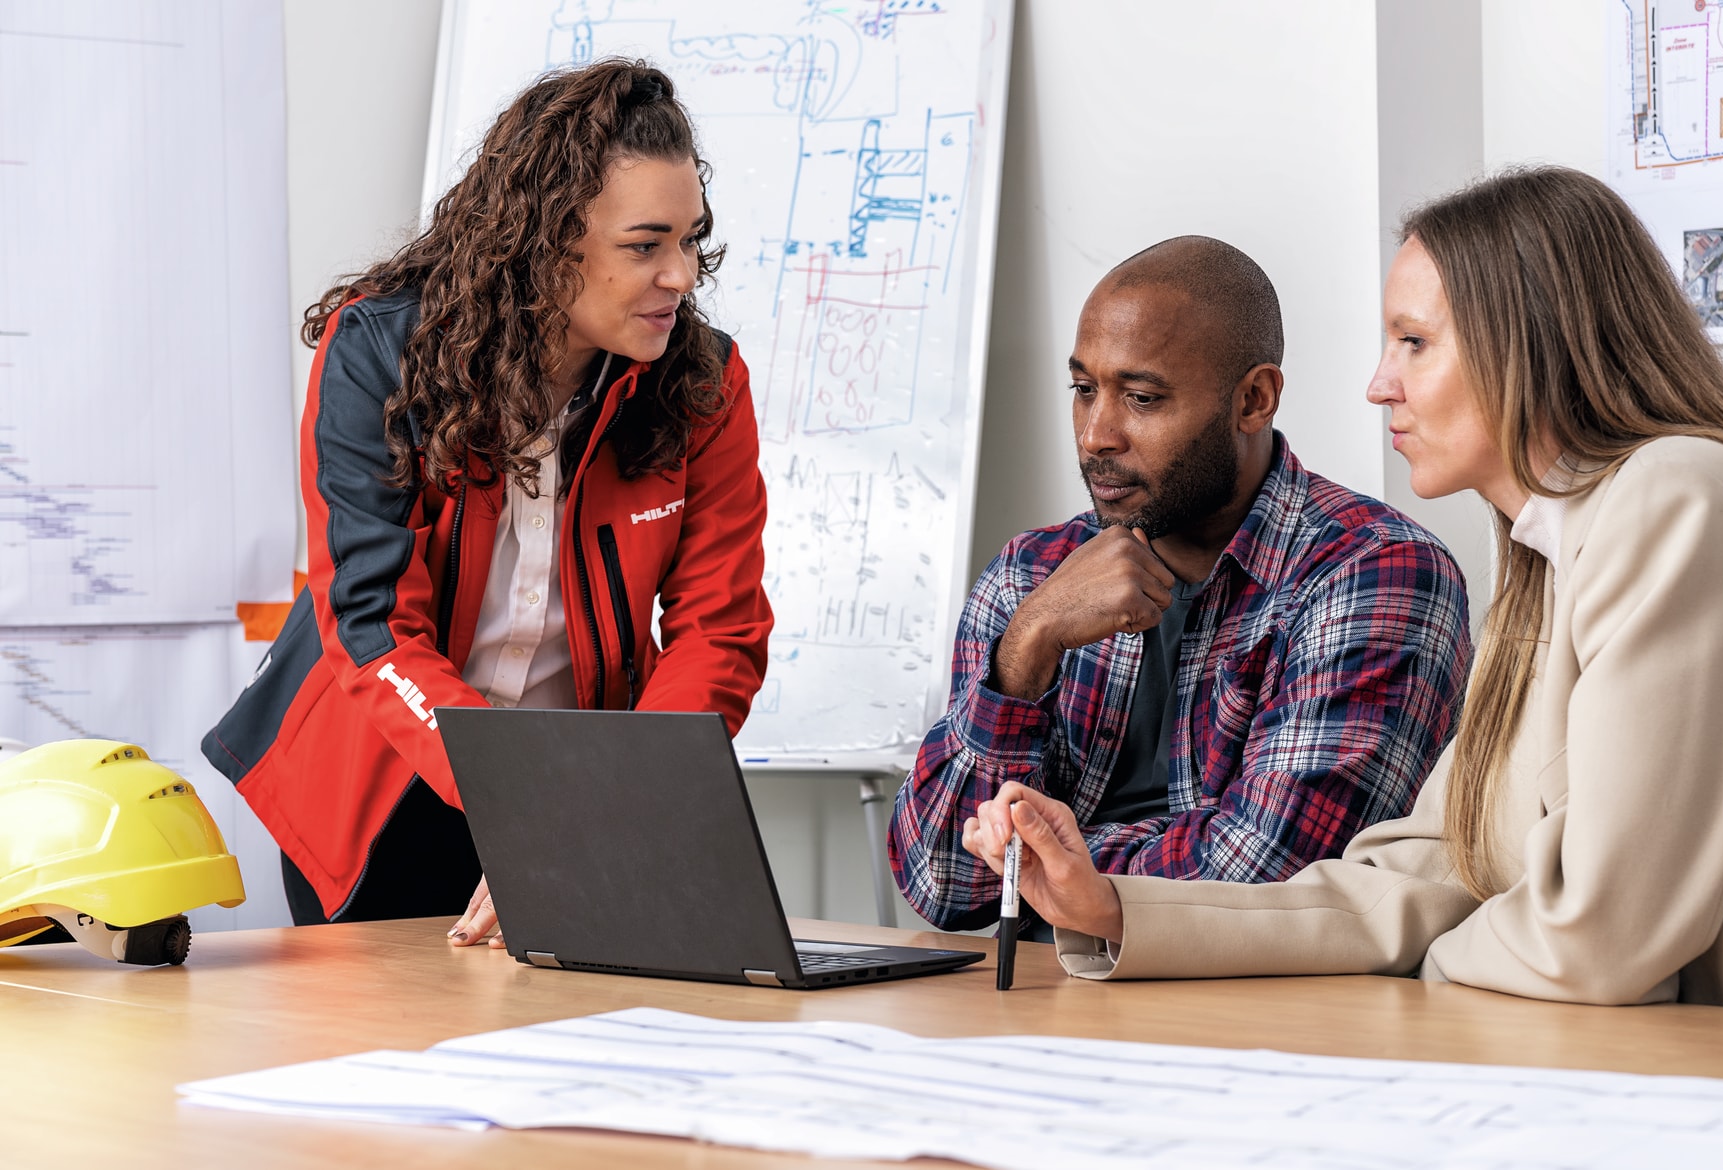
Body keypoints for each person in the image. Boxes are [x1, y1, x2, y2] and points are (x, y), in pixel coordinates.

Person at [963, 169, 1723, 1031]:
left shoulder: (1679, 496)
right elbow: (1428, 871)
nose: (1378, 385)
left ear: (1528, 343)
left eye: (1414, 343)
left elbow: (1600, 932)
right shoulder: (1545, 561)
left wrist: (1430, 952)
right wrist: (1118, 912)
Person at [202, 61, 773, 941]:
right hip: (387, 780)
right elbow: (374, 626)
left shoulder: (703, 383)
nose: (681, 275)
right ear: (548, 239)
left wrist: (626, 802)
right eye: (645, 244)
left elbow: (719, 629)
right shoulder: (380, 354)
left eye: (692, 239)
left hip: (593, 791)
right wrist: (531, 808)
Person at [892, 236, 1473, 934]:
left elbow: (1271, 874)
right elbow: (941, 882)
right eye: (1083, 390)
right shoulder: (1032, 577)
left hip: (1273, 1021)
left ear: (1253, 400)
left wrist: (1045, 860)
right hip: (1047, 1009)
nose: (1096, 435)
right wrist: (1027, 647)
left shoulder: (1374, 570)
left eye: (1141, 398)